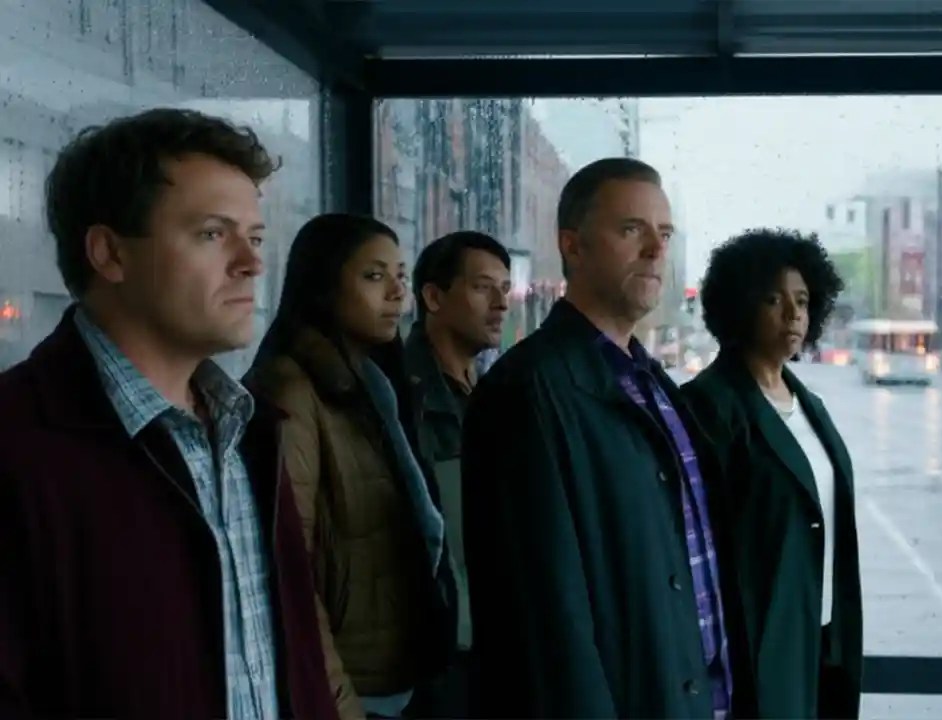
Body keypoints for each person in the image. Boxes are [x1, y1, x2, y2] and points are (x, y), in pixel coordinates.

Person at [0, 108, 340, 719]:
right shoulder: (20, 442)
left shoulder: (252, 431)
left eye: (256, 237)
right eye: (214, 233)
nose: (252, 263)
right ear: (109, 253)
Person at [461, 158, 750, 718]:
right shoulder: (527, 392)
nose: (655, 250)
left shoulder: (654, 385)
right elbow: (545, 621)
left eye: (662, 234)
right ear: (573, 245)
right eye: (630, 230)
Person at [245, 214, 453, 720]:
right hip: (351, 689)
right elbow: (289, 569)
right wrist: (339, 703)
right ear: (322, 285)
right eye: (373, 276)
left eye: (400, 276)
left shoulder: (375, 383)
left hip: (401, 672)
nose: (395, 292)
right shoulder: (291, 387)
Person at [682, 228, 863, 718]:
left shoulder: (810, 406)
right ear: (740, 307)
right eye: (773, 299)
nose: (793, 313)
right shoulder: (709, 406)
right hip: (752, 643)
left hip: (823, 634)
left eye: (803, 300)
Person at [403, 231, 511, 718]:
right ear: (434, 296)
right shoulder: (402, 397)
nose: (501, 303)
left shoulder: (491, 393)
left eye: (506, 289)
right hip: (437, 650)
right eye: (484, 287)